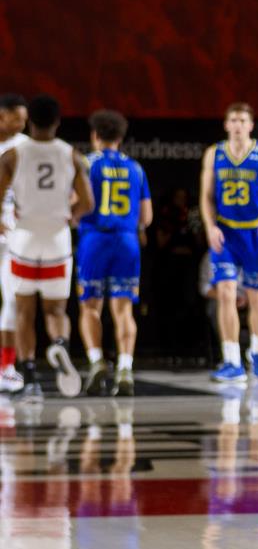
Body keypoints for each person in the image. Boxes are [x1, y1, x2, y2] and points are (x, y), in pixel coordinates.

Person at [0, 97, 91, 398]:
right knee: (55, 310)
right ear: (57, 122)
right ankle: (60, 345)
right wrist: (70, 216)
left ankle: (28, 375)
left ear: (31, 121)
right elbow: (88, 203)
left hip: (24, 236)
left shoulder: (13, 155)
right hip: (57, 237)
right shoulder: (72, 155)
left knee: (24, 310)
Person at [199, 103, 258, 381]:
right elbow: (205, 197)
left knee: (256, 296)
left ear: (251, 125)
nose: (238, 125)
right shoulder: (214, 153)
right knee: (225, 292)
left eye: (243, 120)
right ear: (226, 125)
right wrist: (210, 226)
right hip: (226, 234)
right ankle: (231, 360)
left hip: (256, 233)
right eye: (233, 120)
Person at [77, 110, 152, 397]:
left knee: (90, 307)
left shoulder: (86, 163)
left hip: (95, 239)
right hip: (126, 241)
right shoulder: (136, 168)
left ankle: (97, 361)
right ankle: (125, 366)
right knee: (123, 310)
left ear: (95, 136)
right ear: (120, 138)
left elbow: (78, 204)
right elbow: (146, 217)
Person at [0, 93, 26, 393]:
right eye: (16, 117)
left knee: (12, 299)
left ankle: (7, 367)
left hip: (14, 234)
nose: (21, 123)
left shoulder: (24, 147)